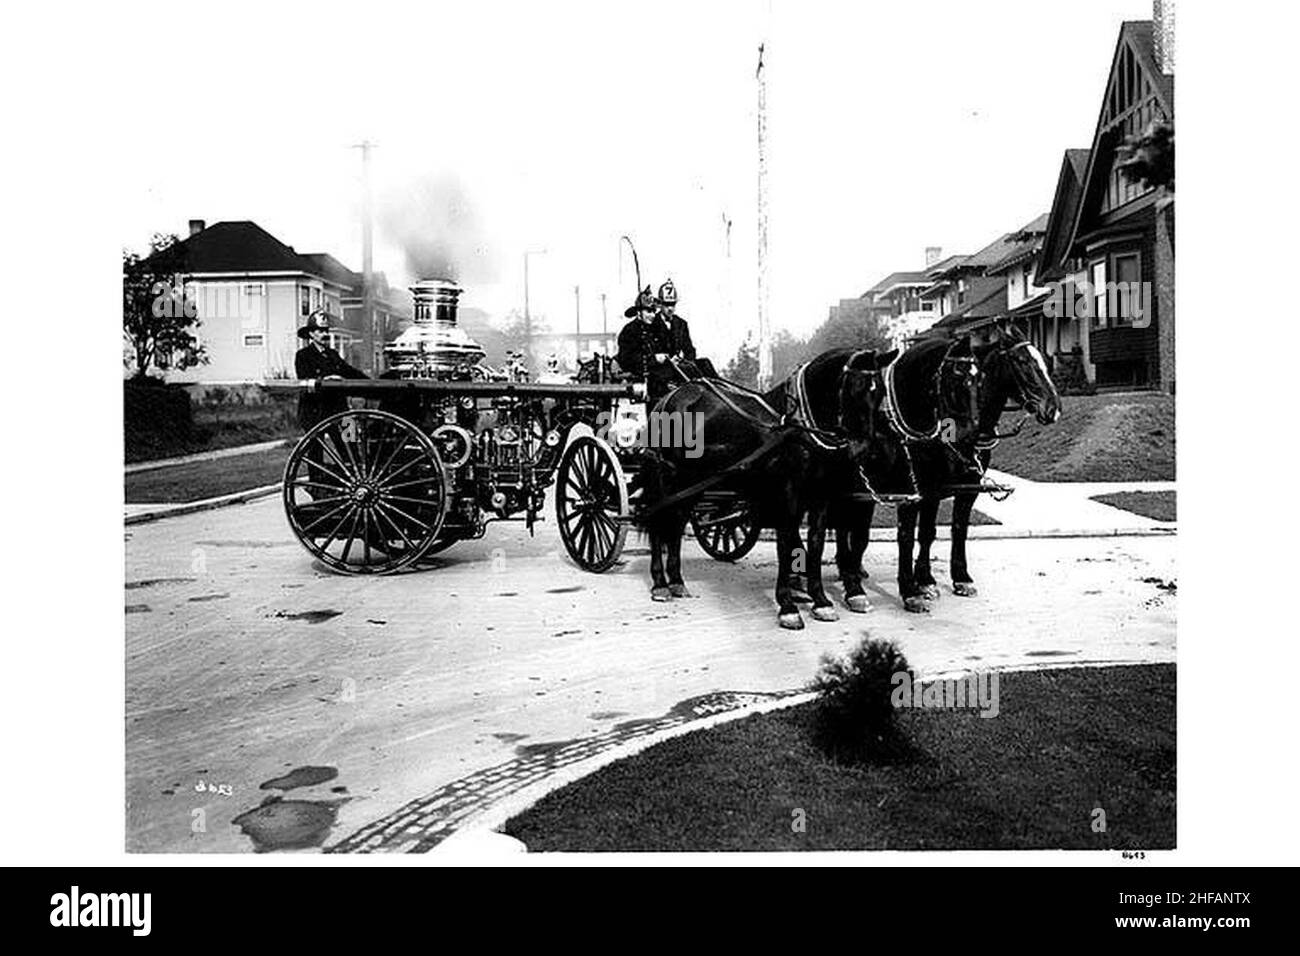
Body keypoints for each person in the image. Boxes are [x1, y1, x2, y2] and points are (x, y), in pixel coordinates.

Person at [294, 311, 368, 431]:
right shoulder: (303, 356)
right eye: (320, 331)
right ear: (311, 334)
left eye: (326, 331)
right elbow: (305, 380)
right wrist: (324, 380)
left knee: (351, 442)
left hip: (339, 408)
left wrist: (370, 383)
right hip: (315, 410)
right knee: (316, 448)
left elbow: (349, 371)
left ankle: (352, 449)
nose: (325, 334)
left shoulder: (333, 355)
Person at [616, 286, 675, 403]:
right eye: (648, 311)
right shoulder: (629, 331)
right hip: (642, 376)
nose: (652, 315)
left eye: (654, 312)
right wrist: (654, 359)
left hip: (660, 370)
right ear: (638, 313)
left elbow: (667, 347)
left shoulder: (656, 329)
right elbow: (627, 360)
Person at [655, 279, 719, 379]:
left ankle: (719, 388)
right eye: (667, 304)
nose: (670, 308)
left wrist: (686, 360)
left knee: (705, 363)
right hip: (662, 367)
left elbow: (689, 349)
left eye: (672, 304)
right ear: (660, 304)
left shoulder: (681, 324)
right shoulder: (652, 323)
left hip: (679, 364)